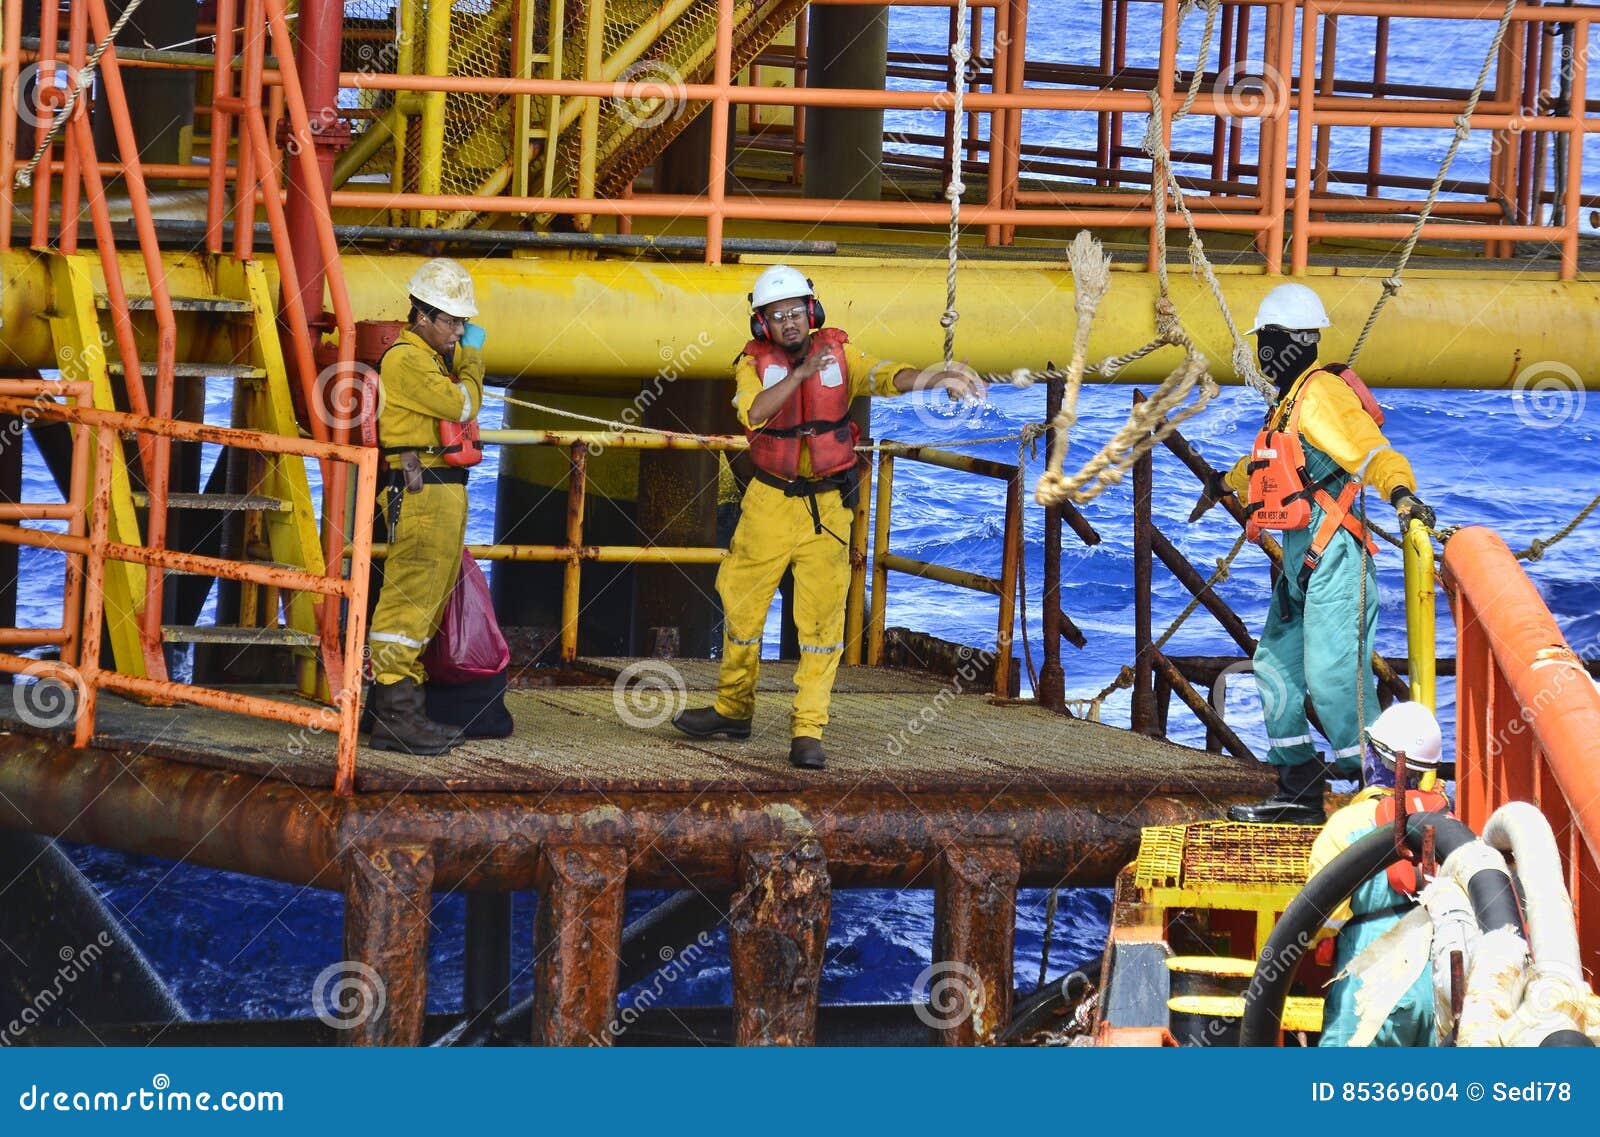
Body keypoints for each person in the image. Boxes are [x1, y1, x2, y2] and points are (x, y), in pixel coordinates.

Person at [671, 265, 986, 769]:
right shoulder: (750, 364)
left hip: (828, 509)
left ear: (812, 312)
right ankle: (733, 709)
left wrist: (935, 376)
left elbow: (886, 375)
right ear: (762, 324)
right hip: (768, 504)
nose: (790, 322)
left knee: (821, 621)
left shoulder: (840, 352)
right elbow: (754, 415)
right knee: (743, 609)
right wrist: (799, 375)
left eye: (796, 311)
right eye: (778, 316)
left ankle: (807, 730)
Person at [1219, 282, 1436, 824]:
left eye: (1268, 340)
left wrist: (1402, 494)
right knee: (1275, 670)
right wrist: (1229, 482)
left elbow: (1372, 454)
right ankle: (1300, 786)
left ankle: (1377, 796)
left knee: (1336, 677)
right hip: (1301, 563)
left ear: (1294, 341)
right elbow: (1269, 468)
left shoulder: (1320, 396)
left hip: (1337, 558)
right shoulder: (1287, 404)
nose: (1262, 352)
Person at [364, 258, 486, 755]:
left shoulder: (430, 357)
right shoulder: (406, 360)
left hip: (440, 490)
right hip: (422, 491)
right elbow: (462, 406)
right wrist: (474, 364)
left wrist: (460, 359)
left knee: (428, 601)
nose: (460, 332)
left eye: (463, 323)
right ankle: (394, 715)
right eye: (453, 322)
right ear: (423, 315)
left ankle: (404, 710)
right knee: (408, 600)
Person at [1309, 700, 1451, 1047]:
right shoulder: (1450, 826)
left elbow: (1320, 918)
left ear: (1374, 756)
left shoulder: (1348, 825)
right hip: (1440, 988)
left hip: (1374, 985)